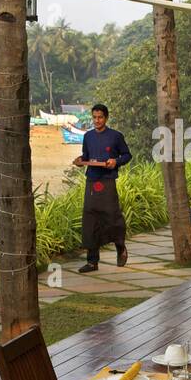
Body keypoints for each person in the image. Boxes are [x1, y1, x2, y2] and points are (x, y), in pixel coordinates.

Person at [74, 103, 131, 272]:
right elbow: (86, 156)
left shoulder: (115, 136)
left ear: (106, 118)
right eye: (94, 117)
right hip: (91, 180)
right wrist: (79, 161)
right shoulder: (88, 137)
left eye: (100, 117)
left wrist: (116, 161)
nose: (97, 120)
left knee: (112, 217)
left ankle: (120, 246)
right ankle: (92, 261)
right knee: (90, 220)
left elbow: (127, 155)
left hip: (107, 181)